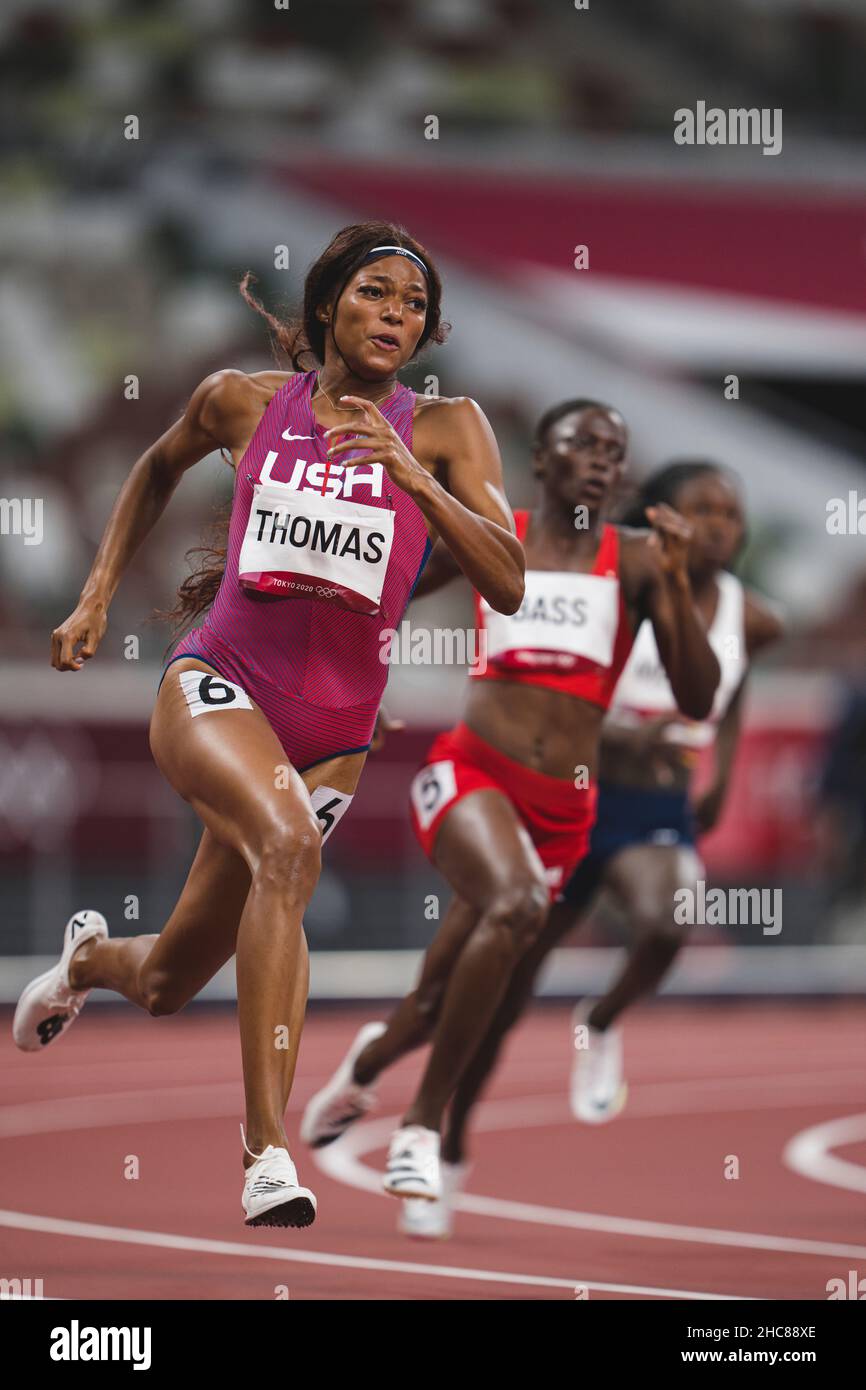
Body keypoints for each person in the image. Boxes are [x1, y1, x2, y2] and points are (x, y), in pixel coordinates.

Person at [12, 221, 525, 1231]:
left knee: (166, 978)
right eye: (375, 294)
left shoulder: (448, 428)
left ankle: (85, 961)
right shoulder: (240, 400)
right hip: (220, 680)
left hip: (333, 725)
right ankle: (264, 1152)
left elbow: (507, 579)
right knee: (289, 845)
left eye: (413, 306)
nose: (394, 316)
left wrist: (414, 476)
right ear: (328, 303)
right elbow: (156, 468)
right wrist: (95, 594)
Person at [301, 403, 721, 1221]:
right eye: (583, 444)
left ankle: (365, 1065)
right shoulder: (500, 532)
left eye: (615, 449)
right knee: (516, 903)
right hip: (471, 773)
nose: (601, 460)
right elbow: (384, 598)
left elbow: (699, 694)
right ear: (541, 457)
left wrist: (673, 583)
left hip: (564, 809)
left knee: (439, 1001)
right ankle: (422, 1128)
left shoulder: (636, 560)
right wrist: (362, 685)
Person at [407, 460, 783, 1237]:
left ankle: (603, 1020)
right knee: (501, 996)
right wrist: (623, 734)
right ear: (657, 520)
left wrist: (723, 764)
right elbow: (561, 691)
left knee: (671, 918)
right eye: (702, 510)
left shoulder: (756, 615)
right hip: (570, 796)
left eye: (732, 514)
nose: (722, 526)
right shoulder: (619, 582)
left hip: (656, 809)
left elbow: (732, 680)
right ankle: (447, 1148)